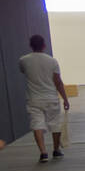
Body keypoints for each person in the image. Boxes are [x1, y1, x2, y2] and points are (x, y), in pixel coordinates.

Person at [18, 35, 70, 163]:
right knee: (55, 124)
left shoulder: (23, 60)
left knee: (37, 124)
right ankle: (56, 150)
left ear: (31, 45)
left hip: (34, 98)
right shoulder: (52, 61)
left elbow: (23, 71)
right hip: (51, 97)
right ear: (44, 45)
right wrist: (65, 98)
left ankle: (43, 153)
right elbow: (58, 81)